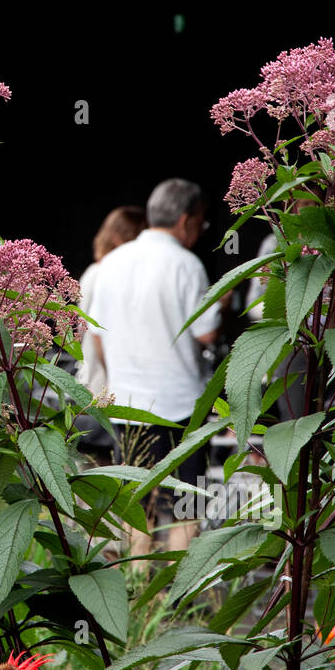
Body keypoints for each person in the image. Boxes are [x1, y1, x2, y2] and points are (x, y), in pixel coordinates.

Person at [90, 178, 222, 558]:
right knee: (183, 509)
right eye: (201, 223)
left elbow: (96, 335)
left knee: (136, 508)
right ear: (186, 220)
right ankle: (178, 598)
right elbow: (208, 334)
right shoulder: (186, 264)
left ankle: (135, 598)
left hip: (127, 406)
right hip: (180, 409)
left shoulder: (112, 262)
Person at [77, 206, 147, 397]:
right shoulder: (103, 273)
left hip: (100, 378)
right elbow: (93, 330)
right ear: (120, 238)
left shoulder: (95, 272)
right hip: (105, 382)